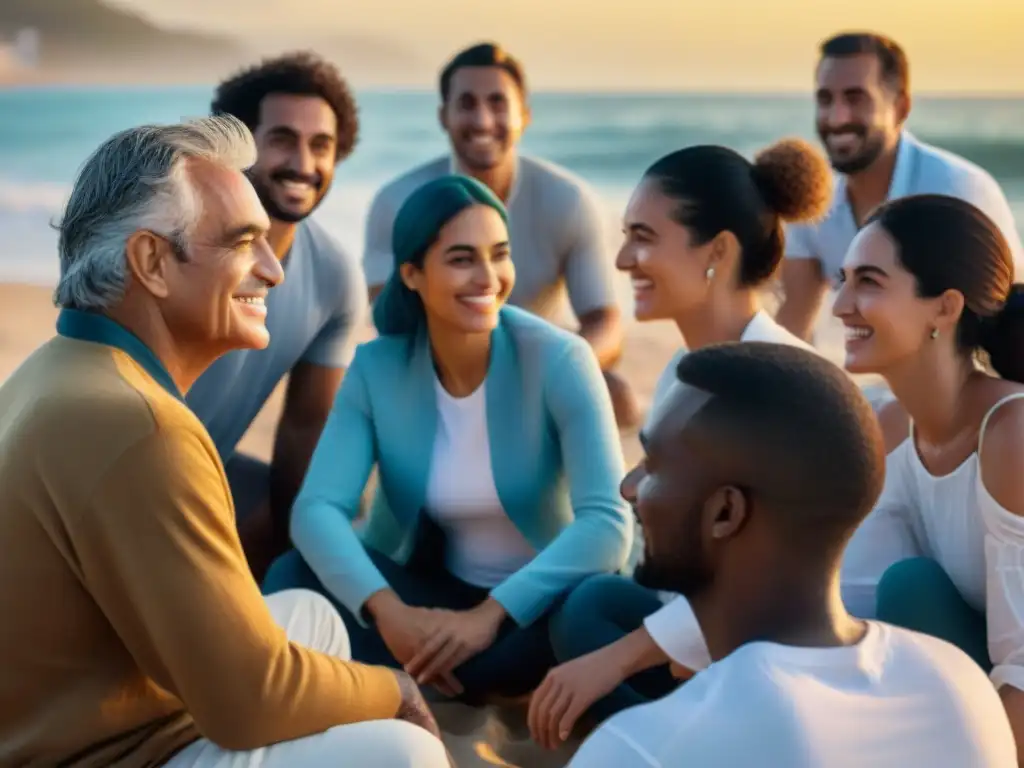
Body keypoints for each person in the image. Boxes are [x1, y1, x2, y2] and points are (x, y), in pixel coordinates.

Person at [0, 117, 449, 768]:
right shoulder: (141, 426)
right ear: (151, 261)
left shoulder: (52, 369)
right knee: (404, 752)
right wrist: (397, 688)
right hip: (103, 752)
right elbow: (248, 702)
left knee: (309, 616)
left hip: (89, 712)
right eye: (244, 244)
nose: (272, 270)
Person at [262, 175, 633, 705]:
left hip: (540, 607)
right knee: (291, 576)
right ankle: (423, 667)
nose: (488, 278)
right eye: (462, 259)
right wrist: (390, 614)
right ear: (412, 274)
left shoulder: (559, 359)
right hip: (430, 601)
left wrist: (487, 617)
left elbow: (607, 524)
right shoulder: (376, 369)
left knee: (589, 613)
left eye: (499, 255)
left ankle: (432, 672)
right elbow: (317, 509)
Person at [561, 343, 1017, 767]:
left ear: (726, 512)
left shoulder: (642, 747)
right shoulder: (961, 687)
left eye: (653, 467)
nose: (628, 487)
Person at [528, 137, 832, 741]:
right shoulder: (681, 374)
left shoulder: (785, 383)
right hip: (695, 632)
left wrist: (622, 657)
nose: (621, 260)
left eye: (643, 237)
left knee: (594, 636)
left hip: (779, 655)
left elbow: (772, 586)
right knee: (587, 606)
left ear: (716, 251)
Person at [833, 194, 1024, 761]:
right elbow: (852, 597)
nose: (841, 304)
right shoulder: (886, 425)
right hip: (971, 697)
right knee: (905, 592)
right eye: (841, 279)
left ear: (945, 308)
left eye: (868, 281)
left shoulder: (1011, 432)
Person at [363, 42, 640, 428]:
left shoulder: (567, 200)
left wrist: (551, 374)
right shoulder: (397, 202)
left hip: (537, 371)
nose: (482, 119)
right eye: (466, 104)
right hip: (437, 370)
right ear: (444, 116)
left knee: (618, 395)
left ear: (524, 116)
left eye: (497, 103)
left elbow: (605, 323)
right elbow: (388, 321)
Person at [187, 52, 369, 580]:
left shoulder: (334, 274)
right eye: (283, 139)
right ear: (238, 146)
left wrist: (295, 560)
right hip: (106, 468)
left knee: (323, 519)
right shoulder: (180, 241)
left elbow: (305, 426)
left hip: (206, 471)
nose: (304, 164)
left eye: (322, 145)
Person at [776, 31, 1023, 343]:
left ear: (901, 108)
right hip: (885, 381)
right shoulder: (814, 201)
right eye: (825, 99)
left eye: (855, 98)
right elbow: (794, 322)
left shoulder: (956, 190)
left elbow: (1007, 320)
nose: (836, 118)